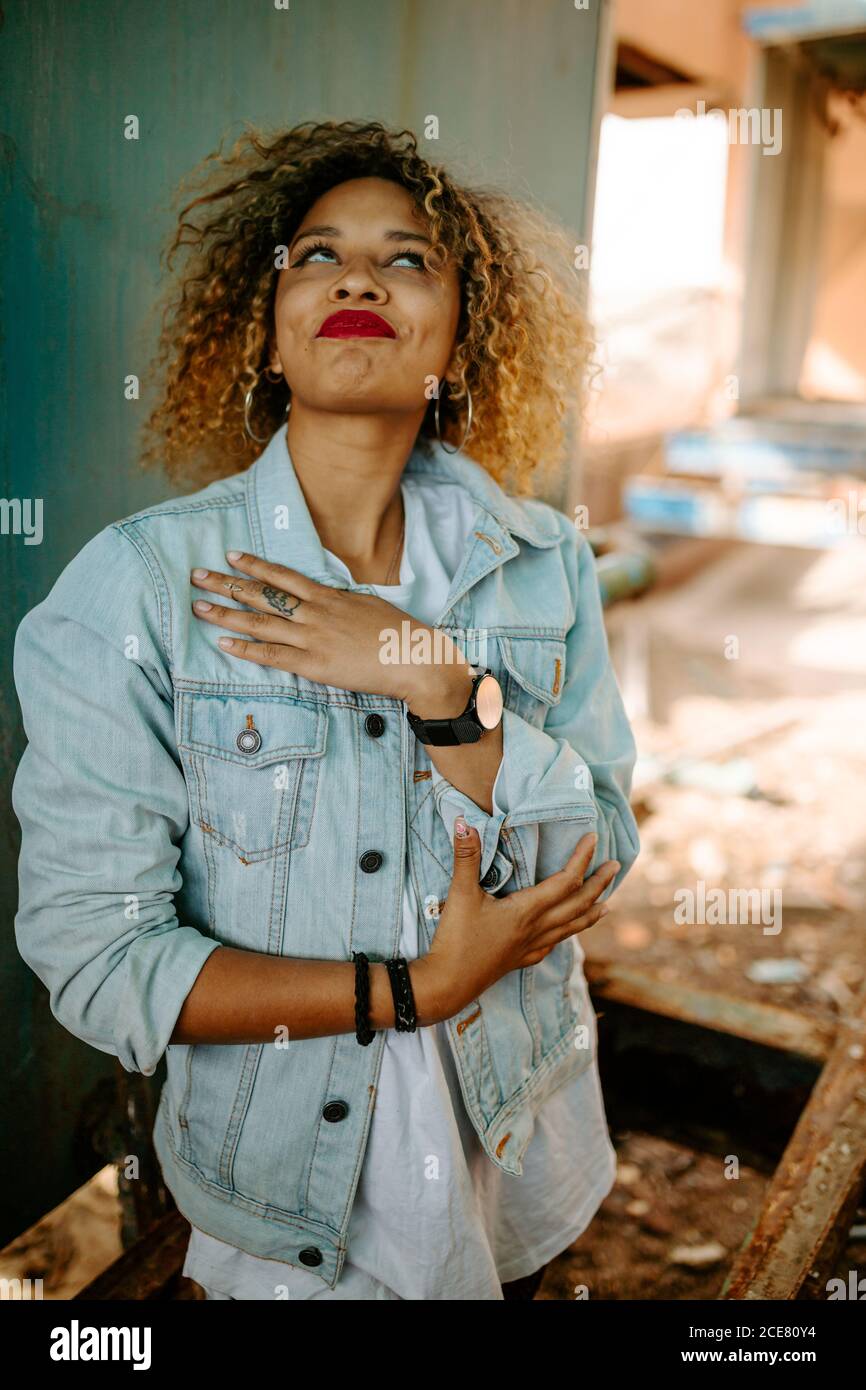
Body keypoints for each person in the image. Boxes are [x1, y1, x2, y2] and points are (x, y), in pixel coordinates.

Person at [12, 119, 640, 1301]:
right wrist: (409, 992)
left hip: (517, 1152)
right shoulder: (139, 589)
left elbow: (595, 857)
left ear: (463, 336)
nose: (358, 276)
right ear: (263, 327)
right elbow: (99, 958)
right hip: (283, 1210)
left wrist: (443, 687)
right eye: (316, 255)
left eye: (409, 259)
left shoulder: (542, 561)